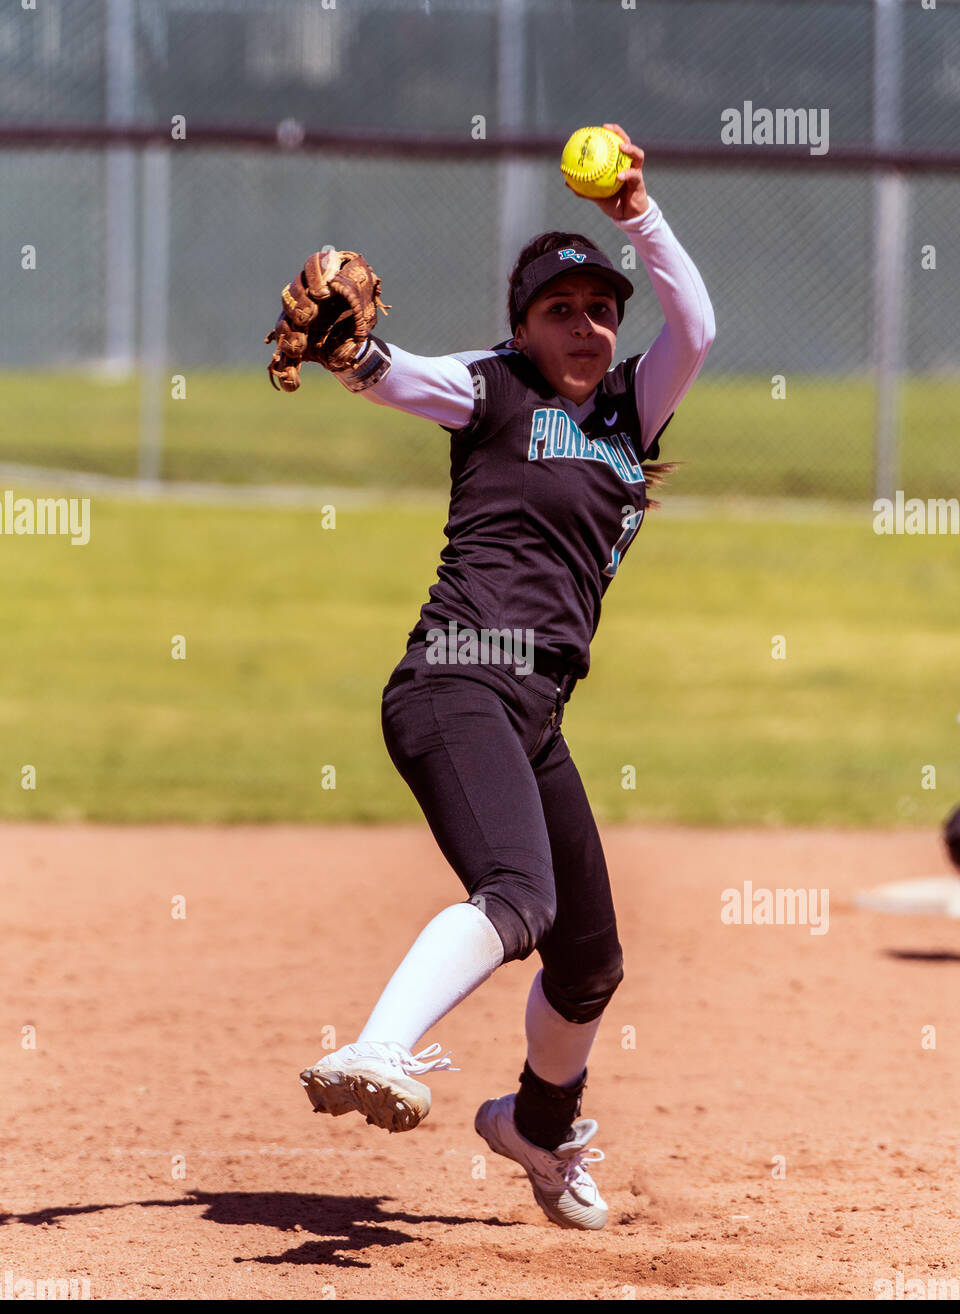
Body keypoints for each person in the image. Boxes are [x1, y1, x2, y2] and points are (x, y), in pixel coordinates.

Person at [296, 123, 716, 1230]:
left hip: (536, 713)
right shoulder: (490, 392)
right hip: (455, 680)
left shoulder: (630, 413)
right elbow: (392, 375)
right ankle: (381, 1044)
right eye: (559, 310)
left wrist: (637, 210)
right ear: (522, 327)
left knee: (589, 962)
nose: (585, 326)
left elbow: (701, 326)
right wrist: (351, 356)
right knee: (521, 897)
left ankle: (538, 1120)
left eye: (600, 310)